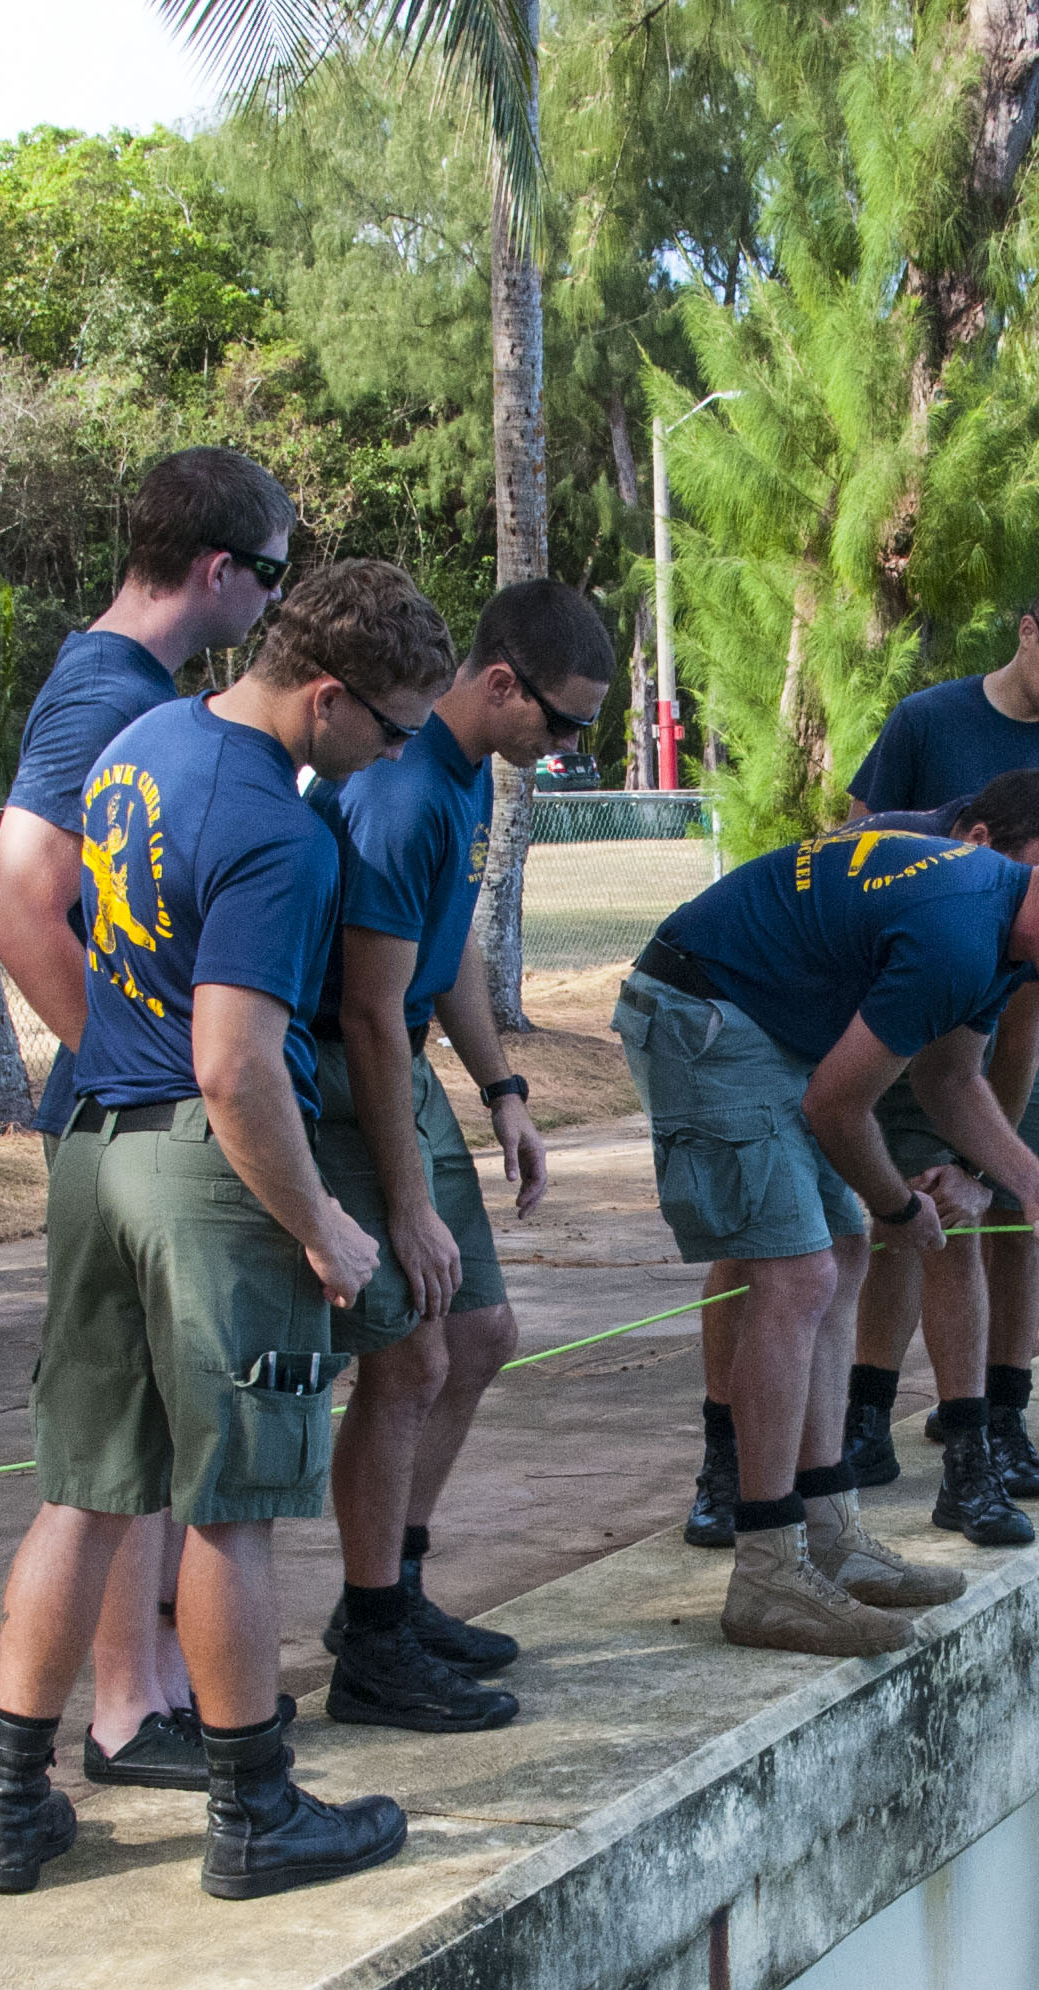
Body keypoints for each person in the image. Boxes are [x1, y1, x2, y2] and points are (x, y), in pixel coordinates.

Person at [0, 560, 457, 1903]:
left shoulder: (141, 744)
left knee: (85, 1488)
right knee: (237, 1498)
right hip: (207, 1164)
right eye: (395, 727)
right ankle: (254, 1811)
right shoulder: (280, 830)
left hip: (95, 1149)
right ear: (326, 695)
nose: (396, 754)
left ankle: (10, 1807)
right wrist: (325, 1227)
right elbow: (239, 1064)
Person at [615, 825, 1039, 1658]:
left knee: (839, 1255)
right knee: (799, 1272)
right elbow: (836, 1109)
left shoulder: (1003, 933)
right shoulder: (958, 934)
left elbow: (949, 1080)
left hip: (763, 1014)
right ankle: (768, 1571)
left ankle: (830, 1530)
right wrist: (898, 1208)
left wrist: (1033, 1184)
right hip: (700, 1007)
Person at [0, 445, 296, 1791]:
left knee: (125, 1455)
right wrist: (133, 1061)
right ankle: (131, 1707)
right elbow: (21, 902)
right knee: (143, 1459)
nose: (271, 610)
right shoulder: (109, 694)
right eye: (270, 579)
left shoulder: (120, 688)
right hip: (148, 1120)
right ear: (218, 570)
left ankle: (136, 1699)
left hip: (131, 1108)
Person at [306, 579, 614, 1731]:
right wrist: (405, 1203)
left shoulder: (469, 775)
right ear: (499, 684)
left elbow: (450, 958)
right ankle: (372, 1640)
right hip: (349, 1077)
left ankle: (397, 1584)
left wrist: (506, 1092)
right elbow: (374, 1013)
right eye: (566, 722)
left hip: (411, 1065)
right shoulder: (398, 794)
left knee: (480, 1335)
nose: (571, 746)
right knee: (408, 1362)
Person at [681, 768, 1039, 1558]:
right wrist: (891, 1197)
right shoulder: (905, 860)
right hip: (829, 1039)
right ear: (978, 843)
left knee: (940, 1228)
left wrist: (992, 1172)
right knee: (776, 1241)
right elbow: (831, 1088)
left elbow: (1000, 1047)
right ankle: (726, 1466)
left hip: (929, 1044)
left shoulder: (1037, 917)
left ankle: (964, 1458)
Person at [831, 575, 1039, 1510]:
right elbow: (862, 844)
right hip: (920, 985)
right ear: (1026, 633)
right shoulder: (927, 721)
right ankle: (870, 1412)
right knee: (903, 1202)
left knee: (1017, 1200)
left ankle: (1000, 1417)